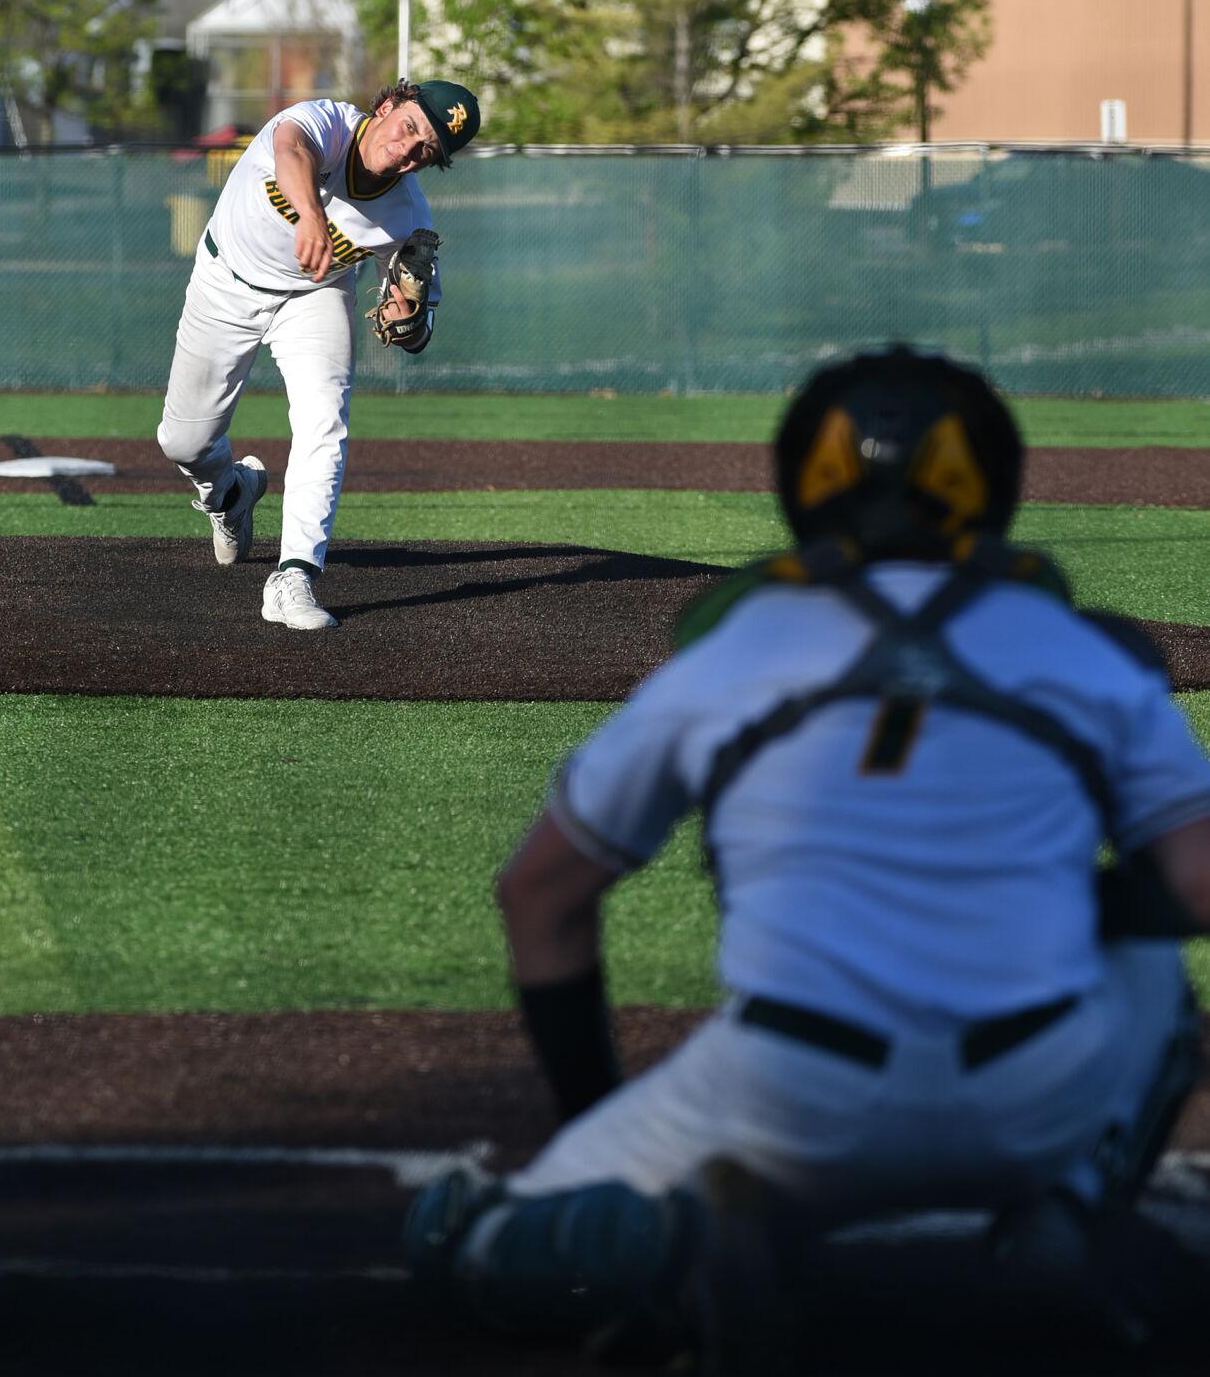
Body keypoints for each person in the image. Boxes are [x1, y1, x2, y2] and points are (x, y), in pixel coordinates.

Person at [404, 344, 1210, 1359]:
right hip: (1038, 1089)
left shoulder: (734, 653)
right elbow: (1195, 880)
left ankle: (682, 1231)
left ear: (806, 484)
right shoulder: (1082, 650)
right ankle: (1069, 1209)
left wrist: (591, 1127)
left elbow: (540, 894)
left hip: (790, 1094)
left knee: (472, 1244)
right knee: (1140, 932)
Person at [157, 77, 480, 629]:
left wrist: (408, 320)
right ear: (386, 105)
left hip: (316, 294)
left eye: (426, 149)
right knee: (182, 441)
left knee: (324, 419)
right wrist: (311, 214)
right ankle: (229, 493)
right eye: (408, 127)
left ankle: (295, 574)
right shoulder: (324, 121)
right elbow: (291, 149)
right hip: (224, 282)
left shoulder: (408, 215)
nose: (407, 150)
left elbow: (418, 329)